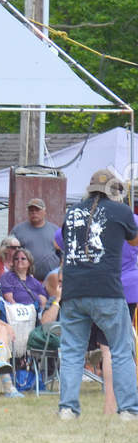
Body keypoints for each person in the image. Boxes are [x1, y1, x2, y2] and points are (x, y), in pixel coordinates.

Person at [56, 168, 138, 420]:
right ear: (114, 190)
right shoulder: (122, 211)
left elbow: (58, 242)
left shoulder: (72, 212)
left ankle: (67, 409)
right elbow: (134, 242)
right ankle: (128, 410)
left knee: (71, 350)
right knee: (121, 350)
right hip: (107, 291)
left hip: (73, 291)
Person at [10, 197, 59, 280]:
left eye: (37, 210)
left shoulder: (55, 231)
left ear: (44, 212)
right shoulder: (18, 230)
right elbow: (9, 253)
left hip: (51, 280)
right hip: (25, 280)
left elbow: (64, 255)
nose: (34, 213)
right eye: (31, 210)